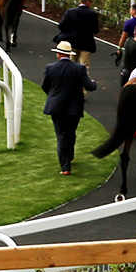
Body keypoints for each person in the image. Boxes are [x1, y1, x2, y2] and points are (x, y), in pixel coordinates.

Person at [41, 40, 95, 175]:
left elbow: (45, 86)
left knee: (61, 135)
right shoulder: (79, 68)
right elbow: (89, 86)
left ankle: (65, 167)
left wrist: (53, 96)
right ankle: (69, 158)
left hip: (56, 106)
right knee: (70, 133)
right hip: (74, 107)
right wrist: (94, 83)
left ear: (58, 54)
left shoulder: (50, 68)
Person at [55, 0, 100, 66]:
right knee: (84, 65)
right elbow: (95, 30)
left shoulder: (70, 12)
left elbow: (61, 26)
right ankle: (83, 77)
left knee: (71, 64)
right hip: (86, 43)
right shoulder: (92, 14)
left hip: (72, 41)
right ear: (88, 1)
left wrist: (69, 31)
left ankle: (70, 77)